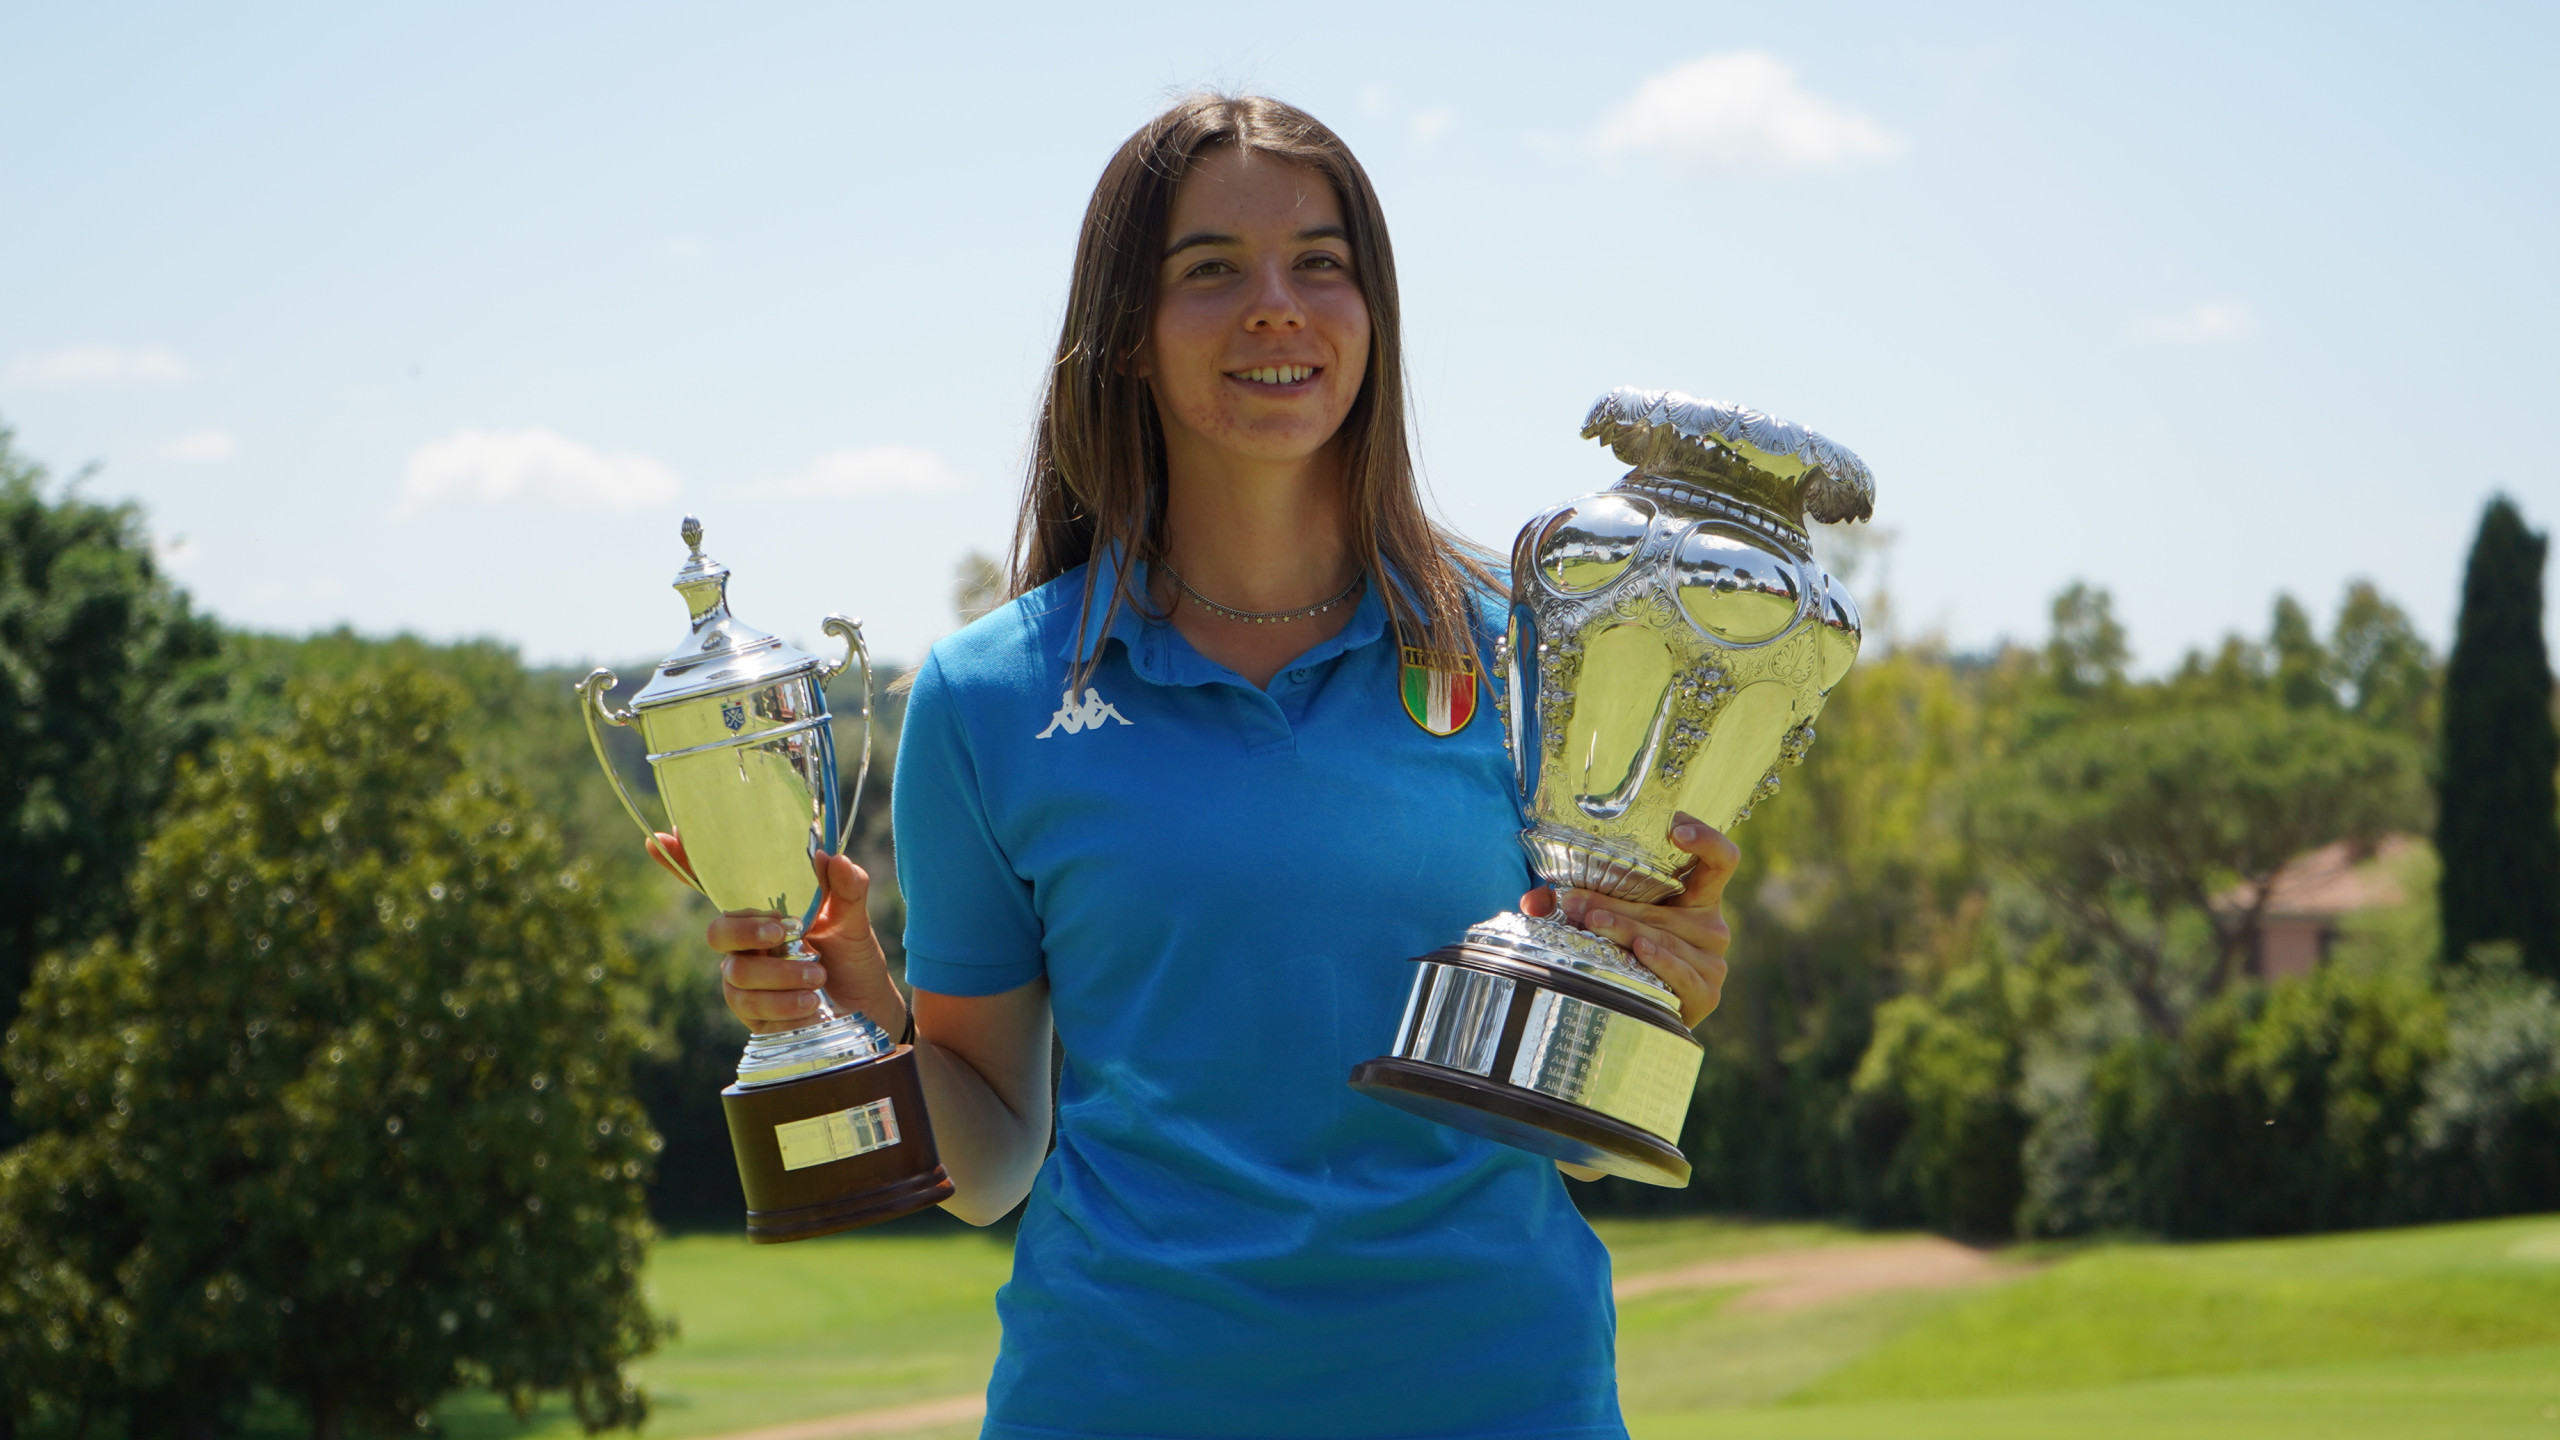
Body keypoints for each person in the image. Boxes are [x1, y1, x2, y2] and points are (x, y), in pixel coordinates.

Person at [704, 94, 1738, 1440]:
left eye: (1321, 261)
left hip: (1496, 1397)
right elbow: (994, 1155)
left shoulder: (1546, 657)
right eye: (1211, 270)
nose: (1276, 305)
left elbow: (1580, 1139)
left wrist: (1661, 993)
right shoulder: (988, 700)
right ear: (1126, 335)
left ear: (1375, 314)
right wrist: (849, 1022)